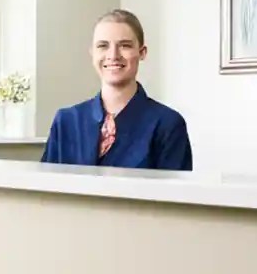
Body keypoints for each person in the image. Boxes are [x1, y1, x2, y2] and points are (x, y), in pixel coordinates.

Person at [41, 9, 192, 170]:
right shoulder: (66, 122)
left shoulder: (168, 125)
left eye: (125, 46)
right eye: (103, 46)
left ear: (142, 53)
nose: (113, 55)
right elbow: (46, 189)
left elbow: (173, 194)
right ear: (92, 53)